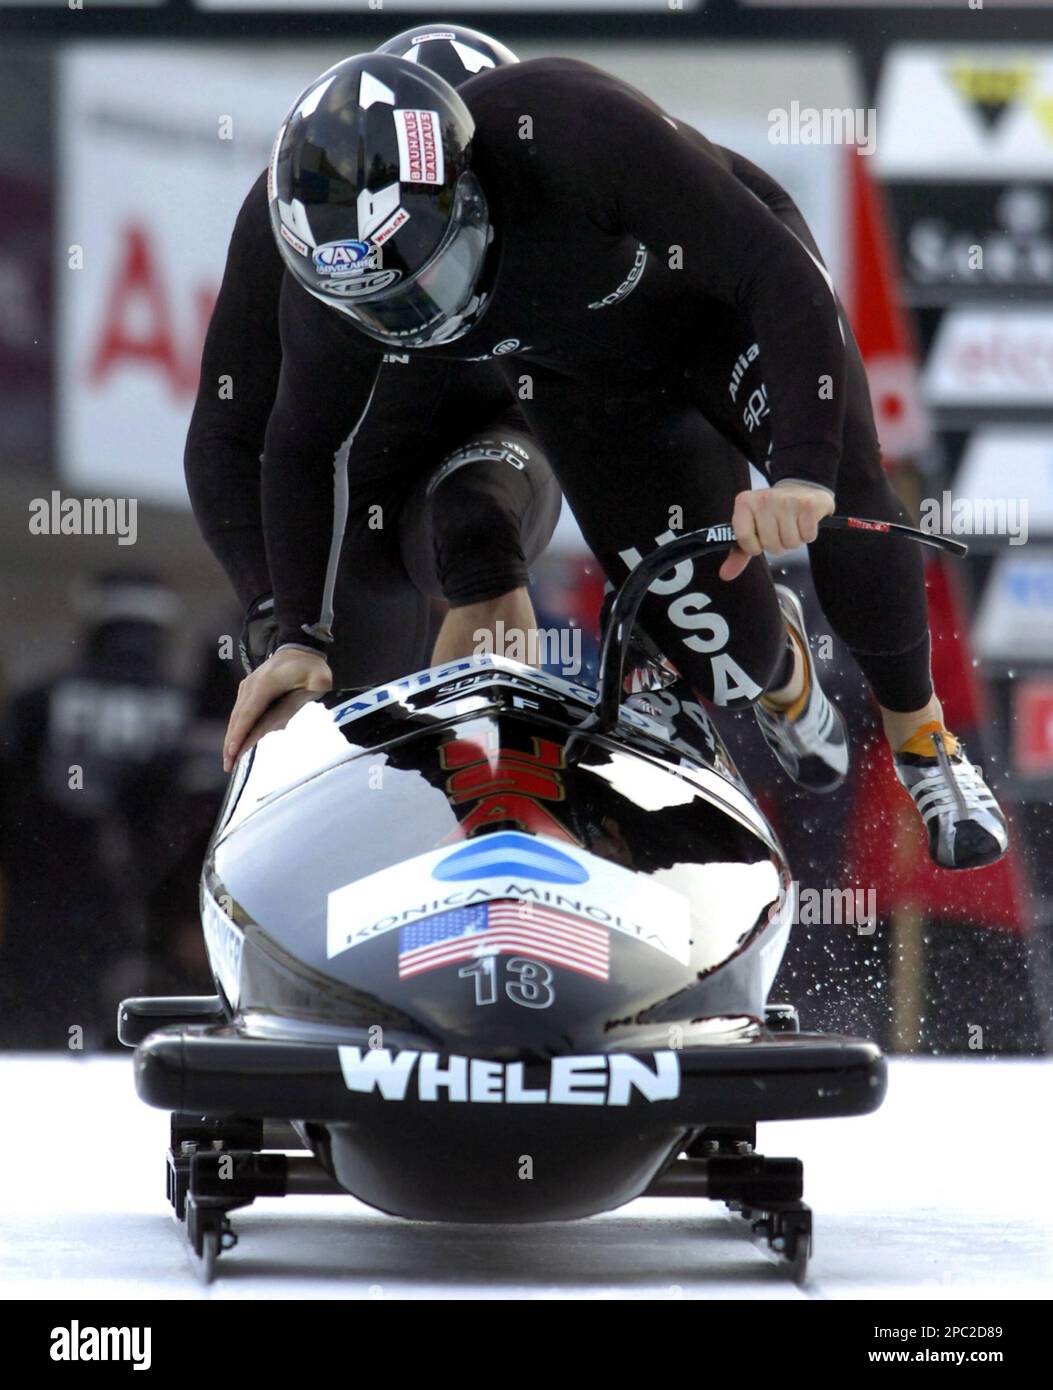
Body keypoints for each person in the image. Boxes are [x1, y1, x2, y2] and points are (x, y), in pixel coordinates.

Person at [230, 51, 1006, 871]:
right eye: (384, 306)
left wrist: (801, 471)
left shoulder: (573, 130)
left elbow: (778, 276)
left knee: (843, 492)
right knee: (725, 662)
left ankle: (923, 739)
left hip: (726, 311)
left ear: (465, 189)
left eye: (430, 276)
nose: (417, 319)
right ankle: (778, 663)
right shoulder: (335, 290)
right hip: (589, 387)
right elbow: (302, 446)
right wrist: (299, 640)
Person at [185, 25, 560, 699]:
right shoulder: (294, 216)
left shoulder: (559, 198)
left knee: (474, 521)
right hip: (357, 486)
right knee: (320, 709)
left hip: (493, 436)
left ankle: (486, 766)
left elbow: (631, 398)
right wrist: (276, 618)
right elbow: (227, 438)